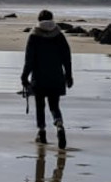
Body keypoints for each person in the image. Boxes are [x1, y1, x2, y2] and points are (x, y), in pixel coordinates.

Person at [20, 10, 73, 148]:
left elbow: (29, 60)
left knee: (40, 106)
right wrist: (69, 75)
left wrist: (24, 76)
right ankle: (59, 124)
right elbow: (66, 57)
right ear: (52, 19)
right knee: (54, 105)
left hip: (39, 78)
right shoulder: (59, 35)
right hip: (56, 77)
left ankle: (41, 132)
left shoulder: (34, 36)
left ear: (38, 20)